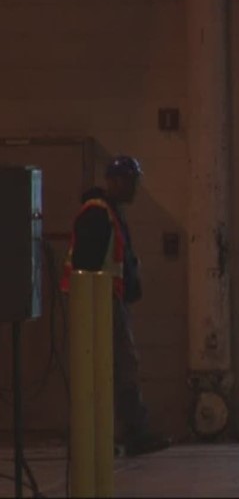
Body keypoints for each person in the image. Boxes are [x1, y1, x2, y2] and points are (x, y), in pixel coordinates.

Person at [58, 155, 172, 457]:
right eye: (130, 181)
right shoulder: (97, 214)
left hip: (106, 301)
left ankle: (110, 434)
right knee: (121, 367)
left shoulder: (109, 212)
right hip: (100, 302)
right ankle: (129, 433)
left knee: (113, 369)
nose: (134, 188)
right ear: (114, 181)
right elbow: (87, 265)